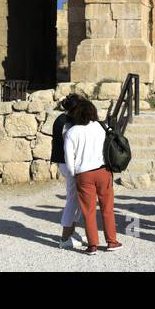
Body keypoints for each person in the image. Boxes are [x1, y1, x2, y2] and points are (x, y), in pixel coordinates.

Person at [63, 99, 121, 254]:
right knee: (107, 208)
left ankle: (92, 245)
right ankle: (112, 241)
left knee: (88, 211)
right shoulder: (102, 127)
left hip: (83, 174)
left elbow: (69, 162)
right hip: (103, 171)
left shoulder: (71, 133)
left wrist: (74, 175)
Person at [52, 93, 86, 250]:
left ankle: (71, 232)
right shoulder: (67, 123)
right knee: (73, 199)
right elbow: (69, 146)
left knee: (77, 199)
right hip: (68, 163)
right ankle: (65, 237)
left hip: (64, 162)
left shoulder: (62, 119)